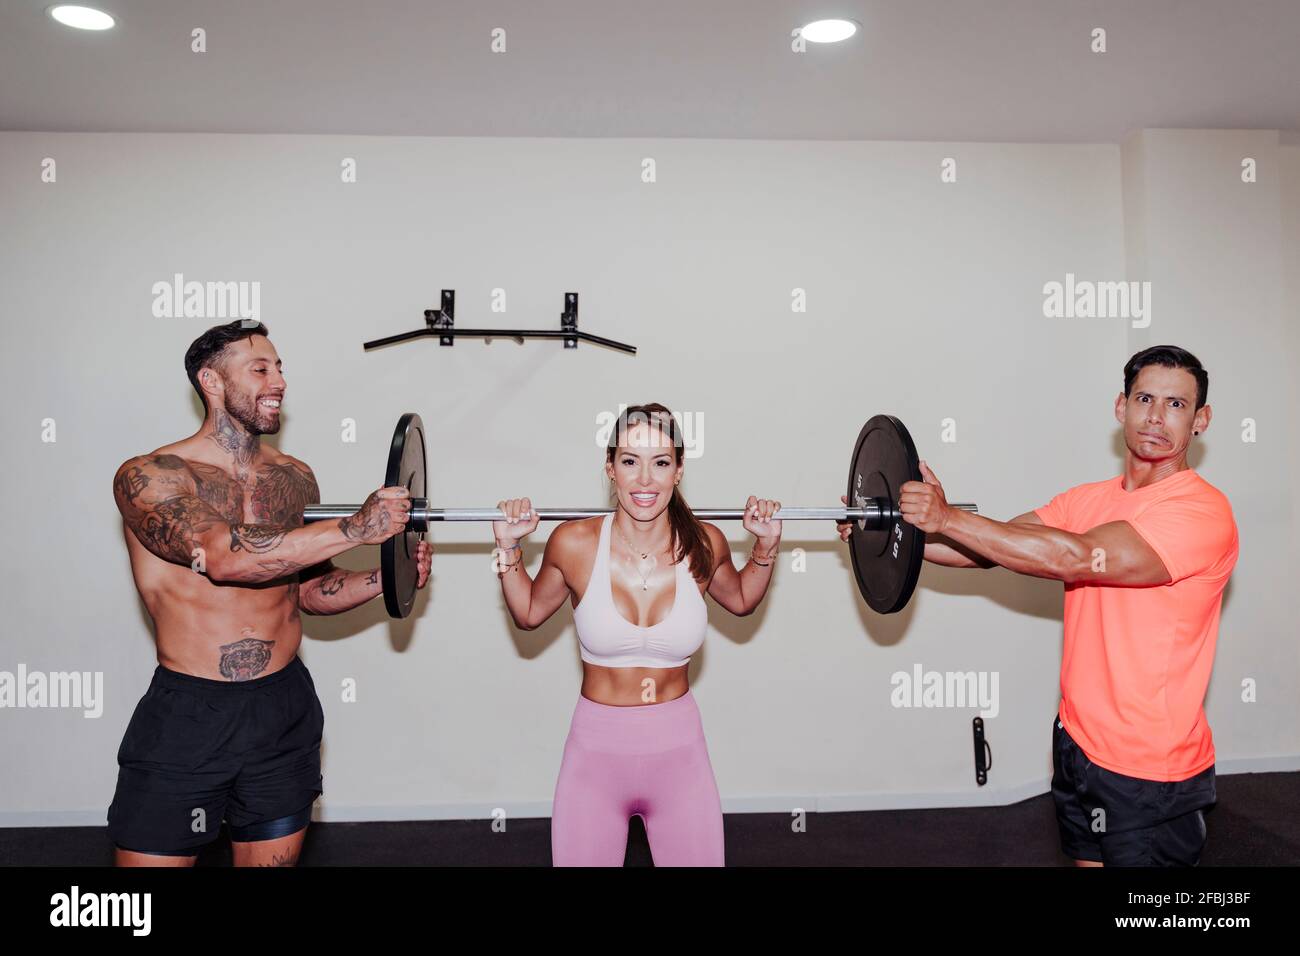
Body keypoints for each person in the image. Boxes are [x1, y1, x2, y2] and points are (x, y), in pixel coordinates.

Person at [839, 345, 1238, 866]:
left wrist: (948, 518)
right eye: (1144, 398)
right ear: (1121, 407)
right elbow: (997, 548)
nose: (1156, 417)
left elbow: (1079, 556)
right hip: (1076, 740)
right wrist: (892, 526)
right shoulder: (1086, 499)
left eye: (1176, 404)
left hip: (1148, 771)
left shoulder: (1202, 512)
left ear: (1200, 419)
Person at [108, 319, 431, 866]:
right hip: (189, 714)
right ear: (211, 381)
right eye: (260, 368)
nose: (278, 380)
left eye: (279, 368)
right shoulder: (150, 475)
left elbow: (305, 590)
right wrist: (356, 528)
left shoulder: (294, 476)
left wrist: (385, 577)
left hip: (282, 710)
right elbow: (224, 556)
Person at [492, 403, 781, 866]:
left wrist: (766, 548)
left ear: (679, 470)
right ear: (610, 468)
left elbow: (743, 600)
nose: (645, 480)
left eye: (661, 463)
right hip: (595, 759)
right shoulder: (573, 543)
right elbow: (528, 613)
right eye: (630, 461)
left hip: (680, 757)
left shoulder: (705, 543)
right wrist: (508, 549)